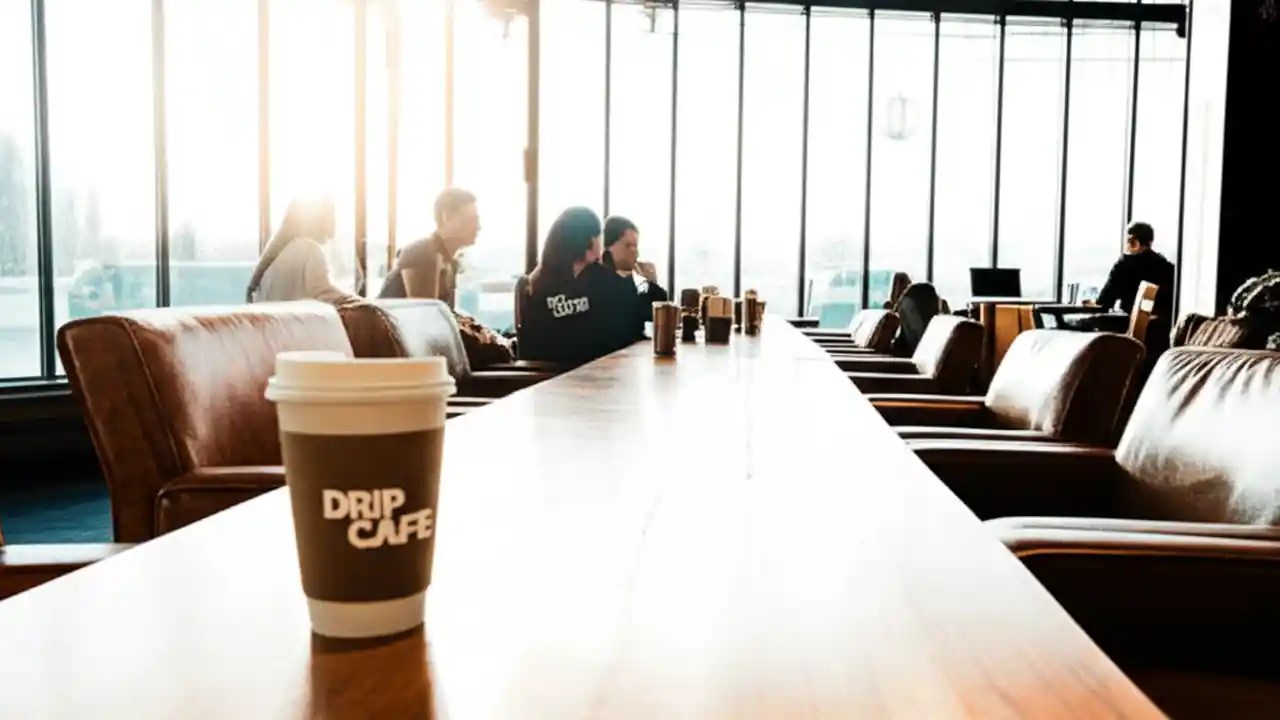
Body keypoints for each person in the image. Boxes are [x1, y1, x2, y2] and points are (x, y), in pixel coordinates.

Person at [518, 207, 638, 365]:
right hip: (554, 377)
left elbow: (625, 329)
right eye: (596, 236)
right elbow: (534, 346)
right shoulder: (539, 286)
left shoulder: (601, 278)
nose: (598, 243)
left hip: (600, 373)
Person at [246, 196, 360, 306]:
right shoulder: (309, 249)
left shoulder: (276, 256)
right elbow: (323, 292)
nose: (334, 223)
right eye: (332, 217)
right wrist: (356, 301)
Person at [379, 188, 480, 304]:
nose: (478, 227)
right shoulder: (423, 252)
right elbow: (425, 315)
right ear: (446, 217)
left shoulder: (449, 261)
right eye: (470, 220)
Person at [1085, 221, 1176, 319]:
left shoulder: (1124, 265)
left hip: (1129, 326)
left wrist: (1093, 303)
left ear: (1133, 242)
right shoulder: (1167, 267)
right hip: (1159, 329)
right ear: (1150, 242)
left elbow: (1104, 302)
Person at [601, 215, 668, 340]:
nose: (635, 253)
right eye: (628, 246)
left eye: (636, 246)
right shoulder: (600, 280)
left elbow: (657, 311)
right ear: (607, 246)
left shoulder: (628, 279)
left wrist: (650, 282)